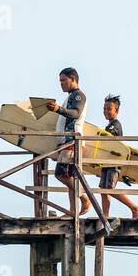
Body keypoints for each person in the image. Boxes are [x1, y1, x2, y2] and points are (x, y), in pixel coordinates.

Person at [45, 67, 90, 216]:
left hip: (73, 141)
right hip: (67, 142)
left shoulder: (78, 96)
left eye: (64, 80)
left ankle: (84, 197)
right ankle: (72, 211)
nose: (61, 83)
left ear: (73, 79)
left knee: (61, 174)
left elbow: (76, 113)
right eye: (60, 81)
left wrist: (58, 109)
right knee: (68, 176)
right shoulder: (70, 96)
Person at [98, 94, 138, 219]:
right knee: (103, 188)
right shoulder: (109, 125)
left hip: (114, 162)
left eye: (109, 109)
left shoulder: (115, 125)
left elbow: (105, 139)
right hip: (106, 161)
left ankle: (134, 207)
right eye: (104, 108)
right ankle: (105, 215)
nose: (105, 111)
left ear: (116, 110)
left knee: (109, 189)